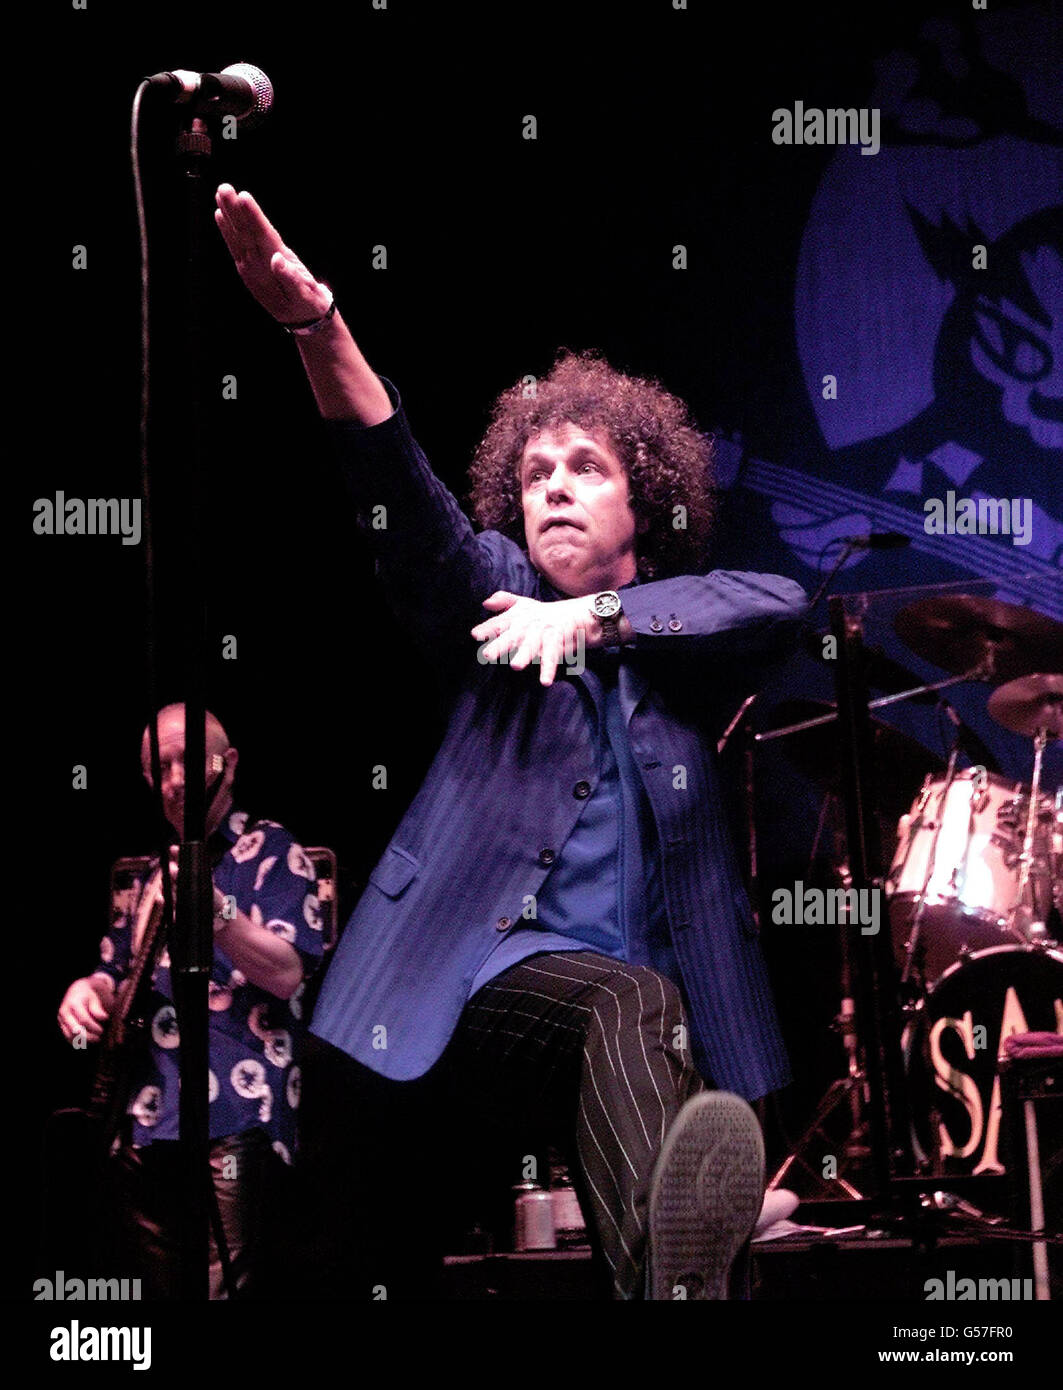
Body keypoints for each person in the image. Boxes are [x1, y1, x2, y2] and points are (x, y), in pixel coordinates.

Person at [214, 183, 808, 1299]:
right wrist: (316, 327)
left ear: (649, 504)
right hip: (463, 987)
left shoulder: (677, 633)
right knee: (621, 1013)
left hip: (636, 1045)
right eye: (535, 476)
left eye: (585, 468)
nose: (553, 490)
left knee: (649, 1058)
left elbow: (777, 600)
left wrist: (595, 618)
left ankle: (673, 1283)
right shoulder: (493, 601)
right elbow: (401, 498)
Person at [57, 704, 325, 1298]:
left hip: (239, 1105)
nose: (177, 778)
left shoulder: (274, 849)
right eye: (162, 767)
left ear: (228, 765)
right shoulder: (145, 874)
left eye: (190, 760)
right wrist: (87, 990)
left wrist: (217, 915)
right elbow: (112, 970)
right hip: (150, 1109)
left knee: (224, 1290)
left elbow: (288, 973)